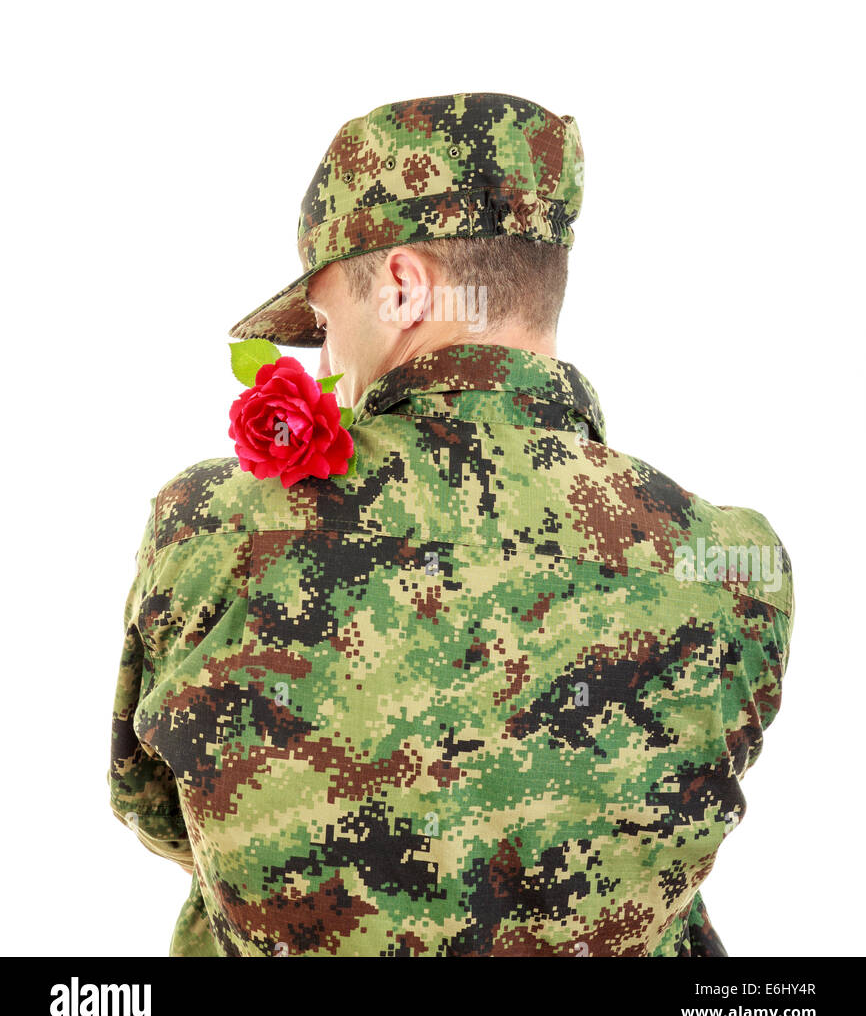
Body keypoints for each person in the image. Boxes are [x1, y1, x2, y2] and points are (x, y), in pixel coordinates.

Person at [108, 91, 793, 956]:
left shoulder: (209, 526)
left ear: (400, 286)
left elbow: (151, 805)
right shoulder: (732, 562)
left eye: (322, 323)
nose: (323, 363)